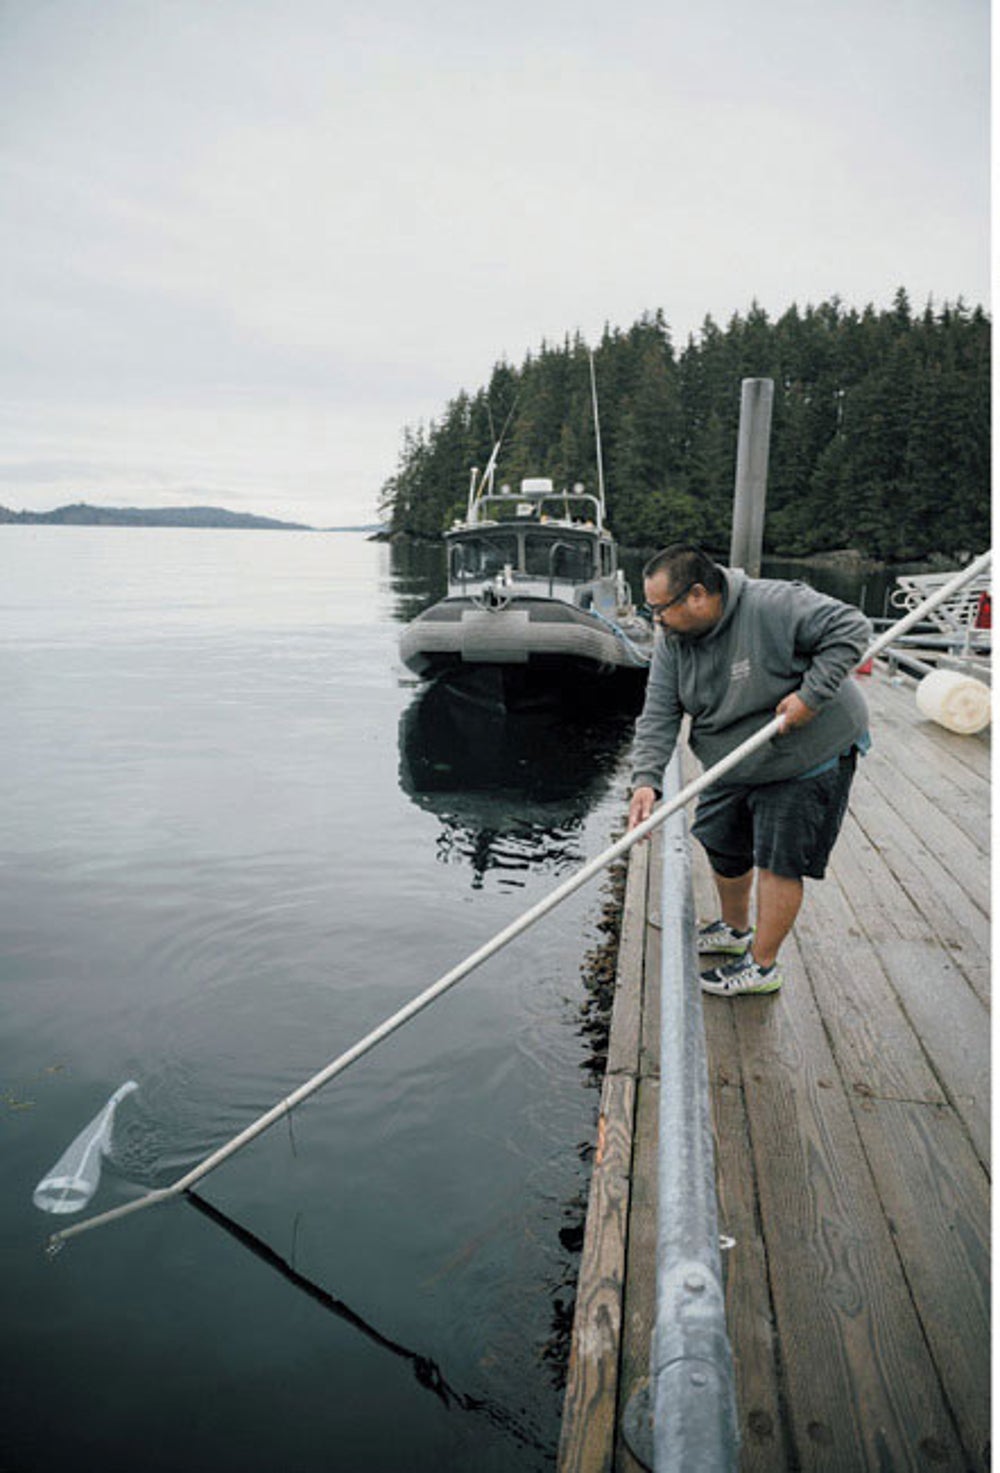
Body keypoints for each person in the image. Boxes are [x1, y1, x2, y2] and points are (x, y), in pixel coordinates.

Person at [627, 544, 871, 997]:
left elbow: (852, 628)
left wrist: (810, 697)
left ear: (697, 595)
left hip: (806, 751)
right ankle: (734, 929)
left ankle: (762, 965)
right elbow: (659, 711)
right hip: (735, 756)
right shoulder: (674, 642)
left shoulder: (773, 604)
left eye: (661, 609)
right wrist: (646, 780)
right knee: (720, 838)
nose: (655, 619)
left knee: (779, 858)